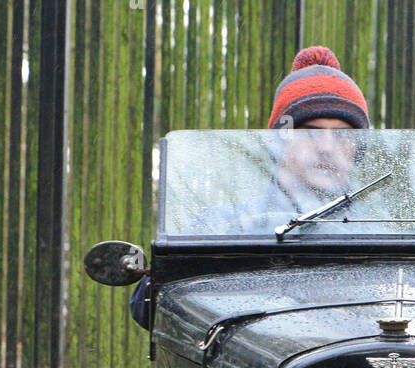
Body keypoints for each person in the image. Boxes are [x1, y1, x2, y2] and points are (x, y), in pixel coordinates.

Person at [130, 46, 371, 329]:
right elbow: (148, 307)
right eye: (310, 132)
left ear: (357, 149)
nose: (327, 147)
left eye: (343, 135)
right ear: (281, 141)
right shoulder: (223, 228)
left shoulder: (391, 230)